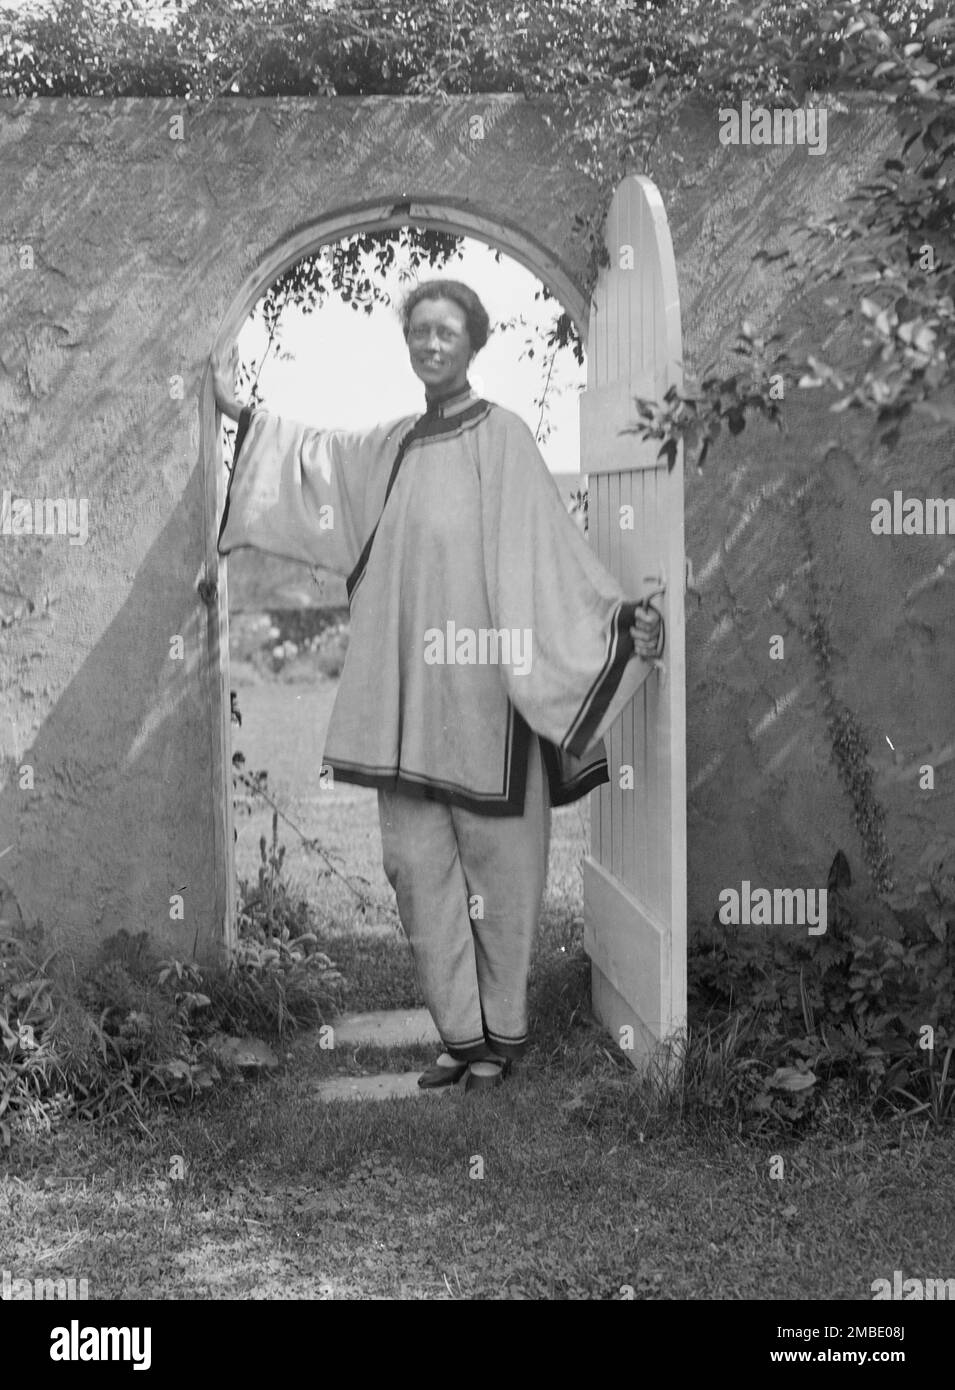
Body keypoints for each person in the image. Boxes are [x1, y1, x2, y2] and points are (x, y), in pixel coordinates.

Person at [210, 279, 664, 1094]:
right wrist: (240, 417)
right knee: (414, 869)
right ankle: (460, 1036)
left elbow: (552, 559)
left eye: (445, 330)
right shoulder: (386, 449)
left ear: (474, 341)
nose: (429, 343)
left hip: (493, 700)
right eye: (417, 330)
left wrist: (617, 625)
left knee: (502, 873)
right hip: (404, 705)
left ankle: (503, 1034)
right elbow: (310, 462)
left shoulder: (507, 440)